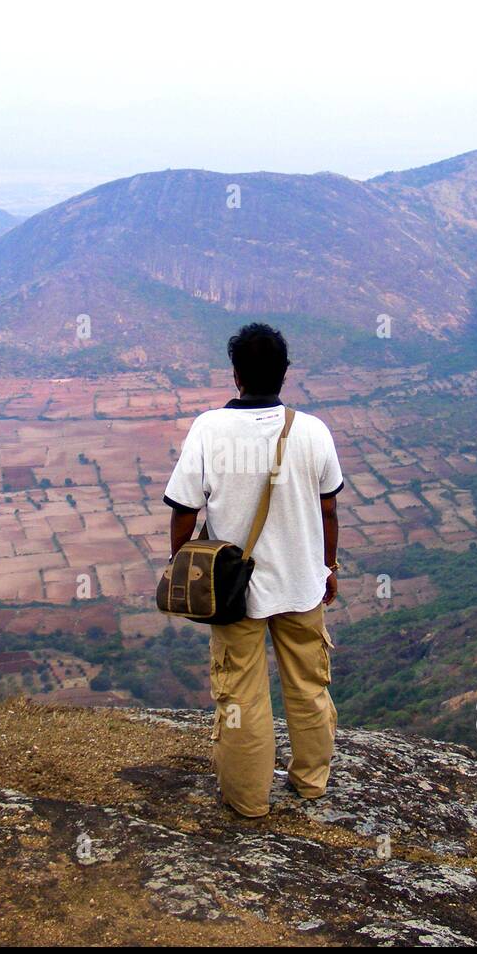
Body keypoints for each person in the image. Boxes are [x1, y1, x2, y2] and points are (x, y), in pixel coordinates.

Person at [162, 323, 344, 817]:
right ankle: (311, 781)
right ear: (284, 373)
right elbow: (328, 510)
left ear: (236, 375)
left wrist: (183, 564)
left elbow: (184, 509)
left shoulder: (208, 428)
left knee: (240, 693)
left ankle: (247, 800)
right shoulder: (313, 430)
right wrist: (328, 566)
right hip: (302, 583)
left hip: (232, 591)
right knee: (308, 685)